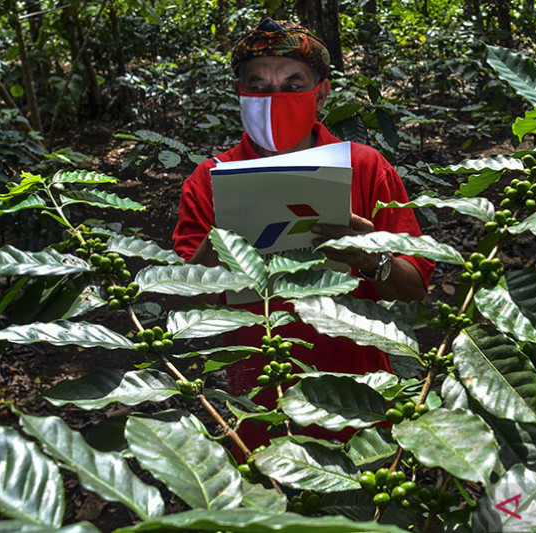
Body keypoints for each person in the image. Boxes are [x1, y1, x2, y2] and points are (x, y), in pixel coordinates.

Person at [171, 18, 433, 450]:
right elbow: (184, 300)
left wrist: (369, 259)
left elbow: (416, 285)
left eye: (293, 85)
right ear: (241, 94)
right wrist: (220, 243)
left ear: (322, 93)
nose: (275, 100)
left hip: (358, 391)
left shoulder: (365, 167)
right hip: (260, 394)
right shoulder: (208, 180)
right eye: (259, 86)